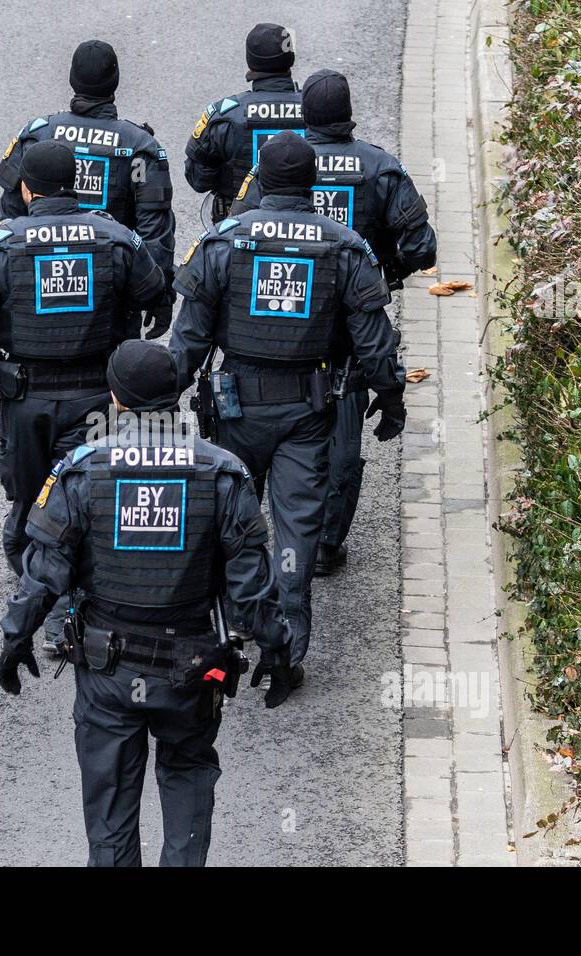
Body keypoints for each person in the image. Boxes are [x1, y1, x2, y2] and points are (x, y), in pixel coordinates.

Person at [0, 339, 293, 866]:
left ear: (116, 398)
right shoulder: (223, 471)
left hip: (106, 666)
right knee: (187, 776)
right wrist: (277, 647)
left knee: (109, 803)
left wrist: (17, 634)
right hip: (192, 666)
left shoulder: (83, 469)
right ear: (175, 394)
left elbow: (45, 570)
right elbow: (251, 585)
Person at [168, 132, 407, 673]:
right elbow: (374, 341)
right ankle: (289, 647)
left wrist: (155, 406)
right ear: (313, 184)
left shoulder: (222, 241)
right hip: (308, 411)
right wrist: (391, 398)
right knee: (297, 527)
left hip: (235, 411)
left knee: (232, 515)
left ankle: (235, 621)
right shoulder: (345, 246)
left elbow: (188, 342)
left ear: (262, 180)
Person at [0, 140, 166, 648]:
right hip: (95, 396)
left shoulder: (0, 245)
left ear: (26, 190)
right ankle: (63, 600)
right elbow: (155, 291)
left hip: (25, 402)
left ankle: (39, 589)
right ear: (77, 183)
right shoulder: (114, 237)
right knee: (80, 492)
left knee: (31, 494)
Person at [231, 68, 437, 574]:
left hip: (288, 329)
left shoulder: (276, 168)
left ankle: (247, 542)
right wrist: (378, 270)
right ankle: (323, 542)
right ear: (348, 114)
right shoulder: (381, 167)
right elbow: (422, 247)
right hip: (351, 331)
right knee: (343, 439)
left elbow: (235, 235)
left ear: (305, 114)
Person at [0, 39, 176, 333]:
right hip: (111, 290)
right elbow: (154, 232)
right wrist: (159, 296)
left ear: (72, 79)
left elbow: (7, 219)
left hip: (37, 284)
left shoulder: (36, 135)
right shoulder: (141, 146)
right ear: (115, 82)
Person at [183, 22, 303, 223]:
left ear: (251, 64)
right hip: (310, 225)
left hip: (238, 231)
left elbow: (198, 179)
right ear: (290, 60)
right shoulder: (316, 109)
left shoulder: (225, 114)